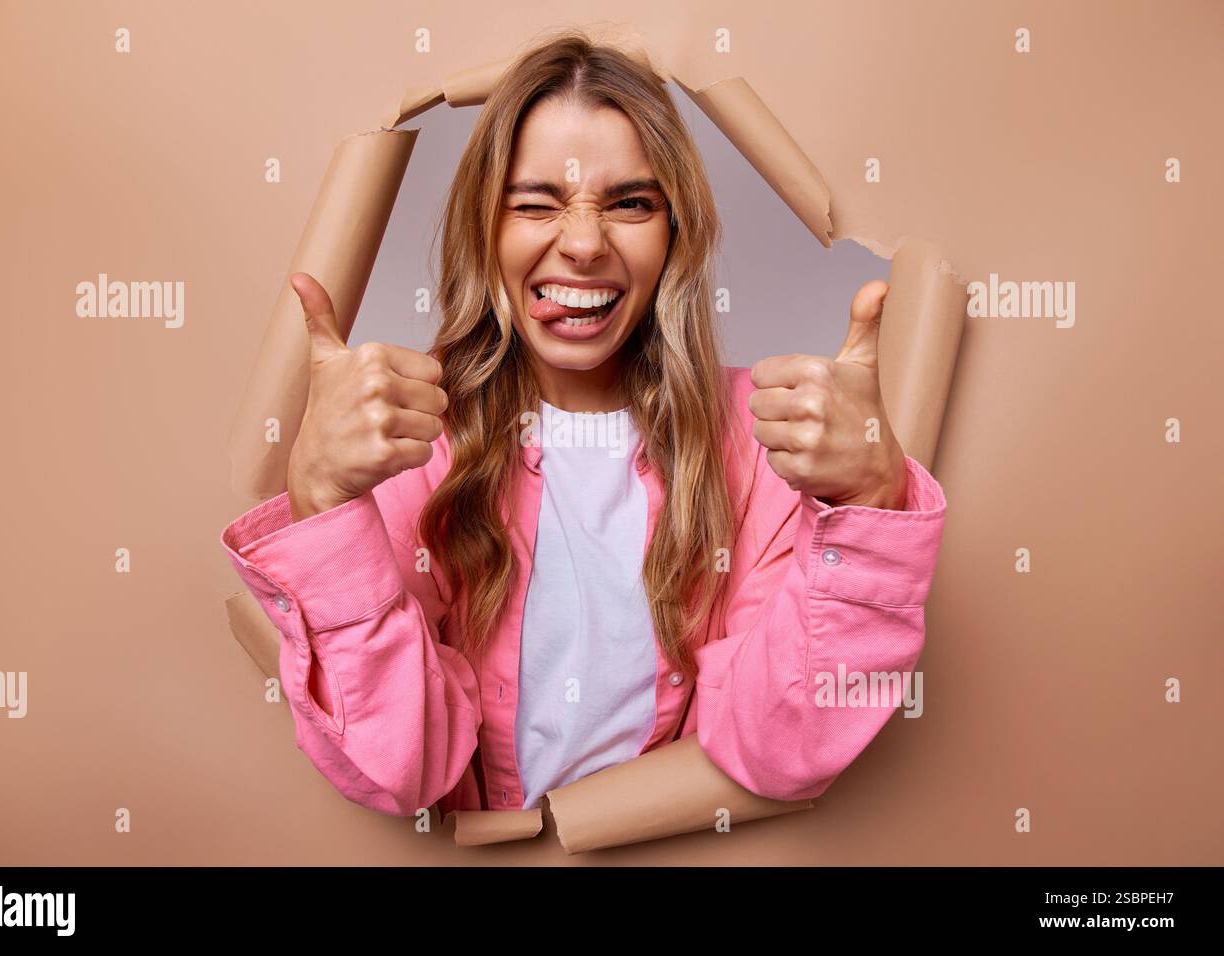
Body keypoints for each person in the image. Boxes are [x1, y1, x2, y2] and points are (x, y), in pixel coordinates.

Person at [220, 30, 947, 817]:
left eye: (630, 203)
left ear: (676, 234)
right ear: (484, 230)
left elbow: (781, 750)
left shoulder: (764, 443)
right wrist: (323, 502)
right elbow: (402, 768)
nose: (583, 244)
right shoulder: (408, 444)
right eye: (536, 203)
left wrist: (871, 500)